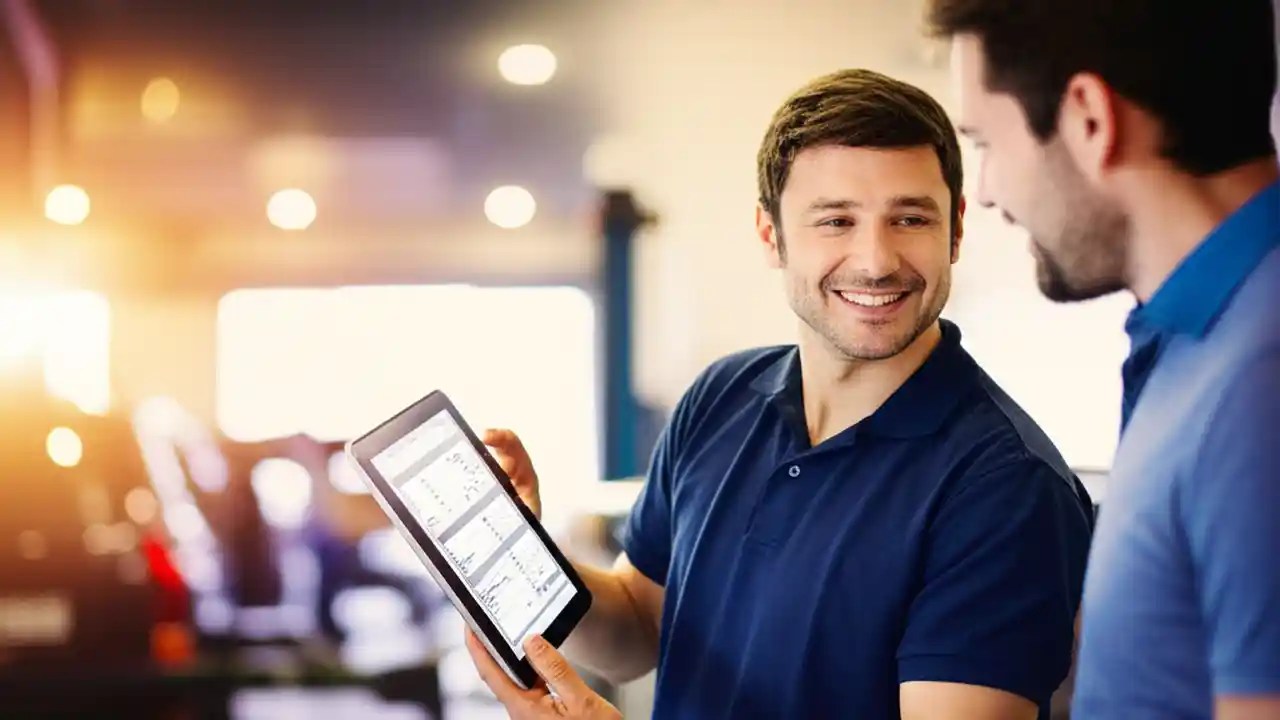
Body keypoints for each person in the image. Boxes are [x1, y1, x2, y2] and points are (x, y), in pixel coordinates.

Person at [466, 68, 1094, 720]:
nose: (876, 259)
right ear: (771, 235)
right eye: (835, 221)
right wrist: (526, 553)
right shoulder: (719, 397)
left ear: (956, 231)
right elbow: (637, 628)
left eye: (909, 218)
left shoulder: (1006, 486)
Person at [929, 2, 1280, 718]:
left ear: (1089, 118)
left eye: (987, 144)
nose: (988, 190)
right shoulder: (1197, 339)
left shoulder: (1257, 383)